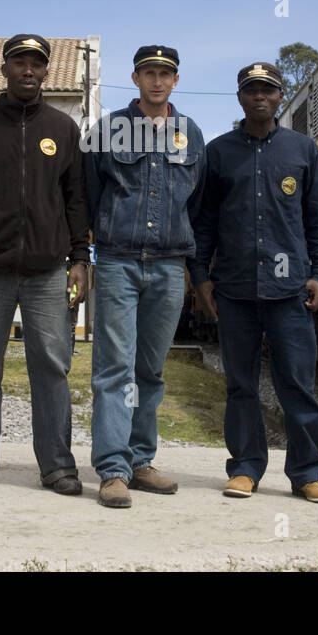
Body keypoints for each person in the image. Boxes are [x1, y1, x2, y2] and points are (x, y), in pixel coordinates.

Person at [0, 34, 89, 495]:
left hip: (48, 270)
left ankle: (58, 467)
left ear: (46, 72)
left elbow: (75, 202)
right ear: (4, 69)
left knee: (51, 367)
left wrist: (80, 259)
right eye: (19, 63)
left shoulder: (64, 130)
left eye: (37, 64)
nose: (28, 71)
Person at [189, 62, 318, 504]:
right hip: (234, 290)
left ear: (279, 97)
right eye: (251, 90)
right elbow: (204, 224)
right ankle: (245, 468)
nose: (260, 97)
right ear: (239, 97)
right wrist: (201, 278)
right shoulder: (218, 153)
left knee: (297, 384)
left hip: (289, 292)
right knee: (240, 385)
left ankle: (308, 473)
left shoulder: (303, 150)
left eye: (268, 91)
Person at [85, 45, 206, 509]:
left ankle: (141, 461)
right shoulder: (110, 129)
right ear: (135, 78)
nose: (157, 81)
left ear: (176, 80)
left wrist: (191, 264)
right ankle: (113, 469)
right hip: (118, 261)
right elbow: (91, 189)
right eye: (149, 73)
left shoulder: (189, 133)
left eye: (166, 74)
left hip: (170, 265)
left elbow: (195, 202)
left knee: (150, 370)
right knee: (114, 367)